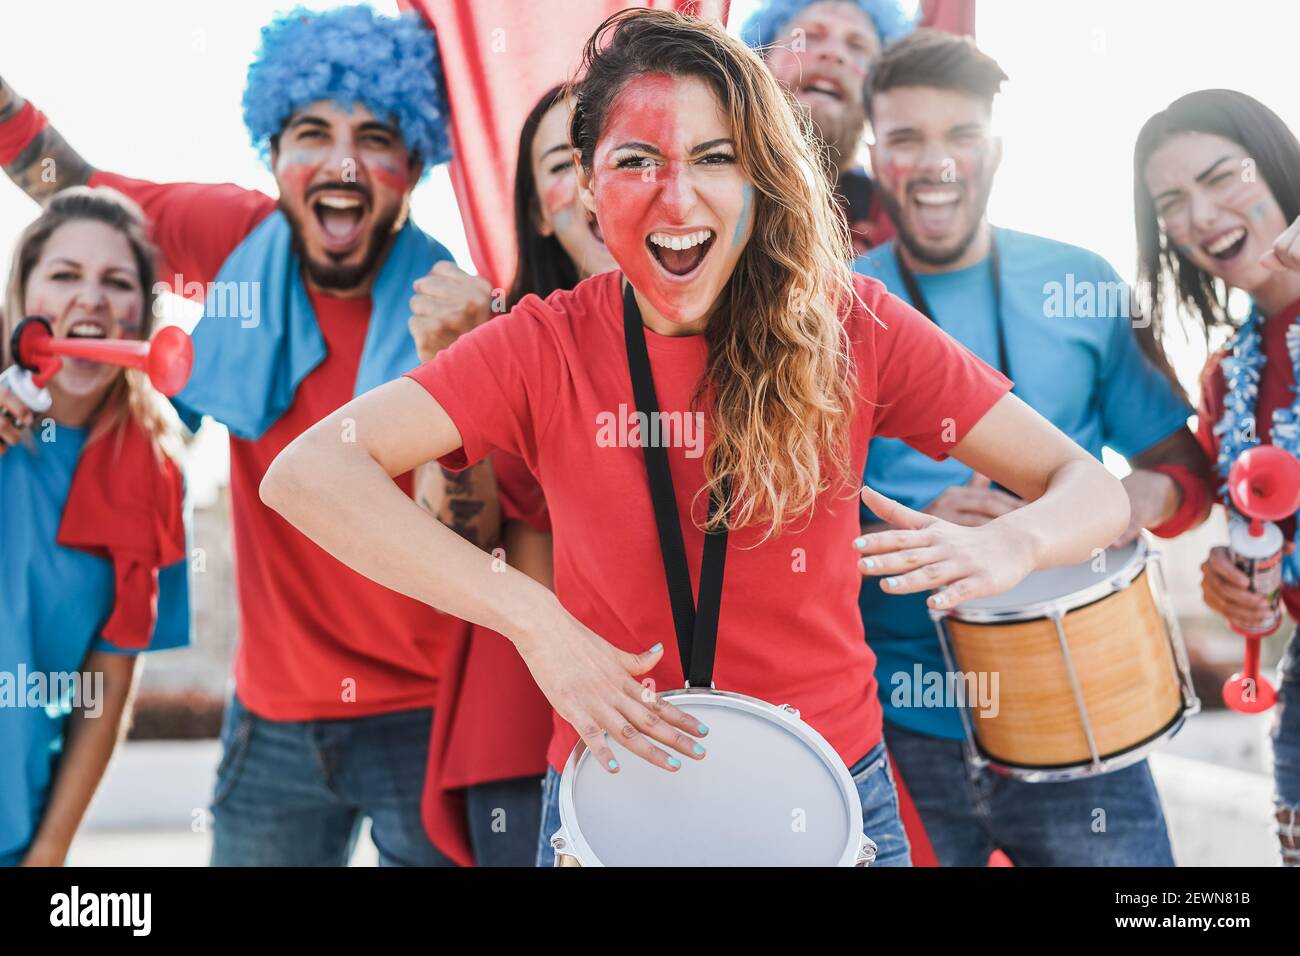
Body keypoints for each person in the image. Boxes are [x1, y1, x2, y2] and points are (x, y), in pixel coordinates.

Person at [260, 8, 1129, 869]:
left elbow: (1091, 487)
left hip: (831, 791)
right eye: (636, 161)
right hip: (608, 797)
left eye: (715, 159)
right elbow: (308, 474)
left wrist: (1015, 542)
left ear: (761, 178)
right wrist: (534, 622)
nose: (676, 196)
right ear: (591, 189)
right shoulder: (544, 340)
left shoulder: (854, 324)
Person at [0, 5, 490, 866]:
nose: (341, 160)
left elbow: (473, 535)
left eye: (375, 137)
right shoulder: (236, 241)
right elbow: (69, 189)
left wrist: (458, 370)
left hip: (429, 710)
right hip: (274, 718)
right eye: (312, 132)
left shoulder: (447, 305)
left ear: (413, 165)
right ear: (273, 154)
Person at [854, 30, 1209, 867]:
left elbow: (1185, 475)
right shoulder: (828, 304)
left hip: (1081, 709)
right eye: (906, 139)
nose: (936, 162)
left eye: (962, 136)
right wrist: (908, 533)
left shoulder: (1081, 280)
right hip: (895, 724)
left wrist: (1094, 512)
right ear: (877, 155)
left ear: (998, 150)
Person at [411, 85, 617, 867]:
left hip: (692, 722)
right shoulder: (501, 344)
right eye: (567, 163)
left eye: (620, 153)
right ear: (538, 212)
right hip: (526, 732)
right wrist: (451, 369)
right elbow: (454, 544)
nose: (600, 180)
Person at [0, 188, 190, 866]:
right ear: (21, 295)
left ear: (142, 314)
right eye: (64, 275)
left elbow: (103, 690)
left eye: (117, 282)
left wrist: (48, 853)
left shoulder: (156, 477)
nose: (92, 299)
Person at [1135, 89, 1300, 867]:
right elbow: (1251, 520)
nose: (1201, 215)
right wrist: (1240, 578)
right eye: (1173, 201)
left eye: (1222, 176)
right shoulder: (1228, 377)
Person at [742, 0, 915, 253]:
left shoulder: (900, 222)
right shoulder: (701, 179)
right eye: (809, 36)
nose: (834, 53)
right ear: (759, 58)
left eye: (857, 45)